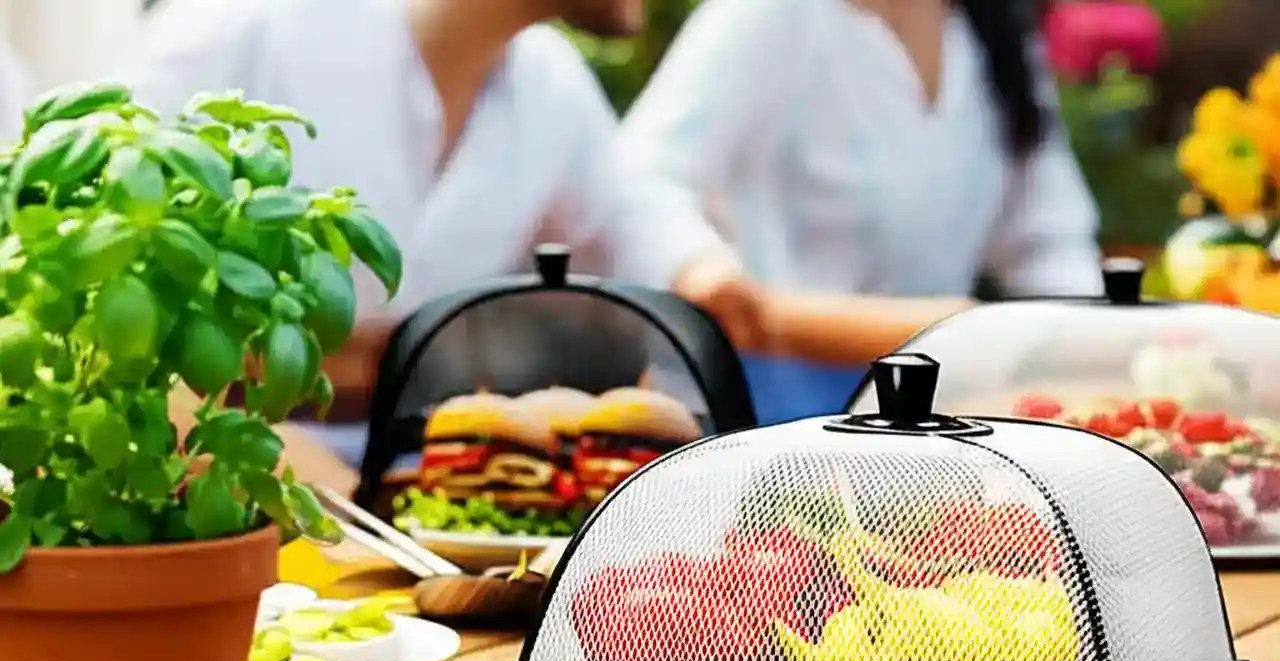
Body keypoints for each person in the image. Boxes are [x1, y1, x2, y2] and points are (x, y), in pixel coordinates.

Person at [124, 0, 759, 412]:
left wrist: (706, 276)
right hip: (239, 501)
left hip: (418, 494)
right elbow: (105, 305)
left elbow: (652, 240)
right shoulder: (235, 35)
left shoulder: (547, 80)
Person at [620, 0, 1104, 421]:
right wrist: (708, 274)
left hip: (925, 411)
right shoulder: (774, 16)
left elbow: (1047, 241)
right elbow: (642, 180)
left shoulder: (992, 33)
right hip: (763, 407)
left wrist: (1107, 341)